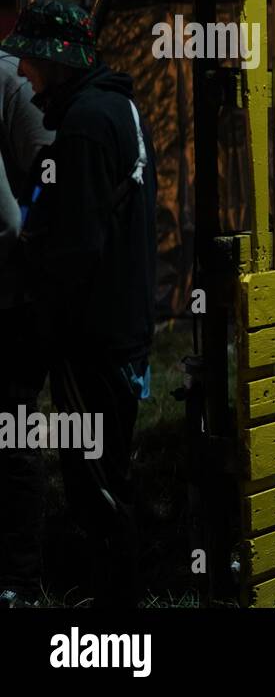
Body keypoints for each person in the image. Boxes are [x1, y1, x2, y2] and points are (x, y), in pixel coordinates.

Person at [2, 0, 157, 608]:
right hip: (121, 328)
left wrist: (42, 317)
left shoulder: (88, 125)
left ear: (55, 60)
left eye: (32, 61)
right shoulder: (116, 107)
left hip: (96, 335)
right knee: (105, 466)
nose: (24, 74)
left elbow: (77, 246)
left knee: (97, 481)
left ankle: (117, 605)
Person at [0, 46, 53, 609]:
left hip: (14, 296)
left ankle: (20, 574)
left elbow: (46, 180)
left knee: (12, 424)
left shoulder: (11, 81)